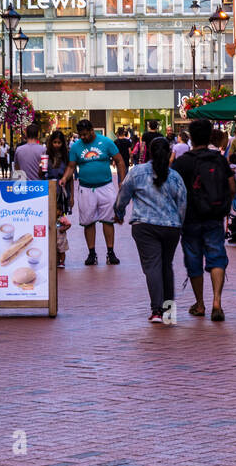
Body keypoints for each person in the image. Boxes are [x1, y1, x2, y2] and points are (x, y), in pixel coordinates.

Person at [115, 136, 187, 324]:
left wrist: (120, 213)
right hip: (171, 227)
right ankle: (169, 312)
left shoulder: (137, 172)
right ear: (169, 153)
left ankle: (156, 311)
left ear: (148, 152)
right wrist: (180, 224)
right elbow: (182, 203)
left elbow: (123, 195)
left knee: (152, 267)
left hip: (145, 226)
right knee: (166, 267)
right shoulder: (175, 176)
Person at [173, 118, 235, 321]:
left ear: (190, 138)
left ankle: (200, 304)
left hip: (190, 219)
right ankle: (217, 302)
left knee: (194, 260)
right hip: (214, 216)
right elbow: (231, 186)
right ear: (209, 136)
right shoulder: (218, 159)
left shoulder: (182, 163)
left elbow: (175, 192)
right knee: (216, 256)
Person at [61, 119, 127, 265]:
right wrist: (65, 178)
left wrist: (121, 181)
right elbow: (71, 166)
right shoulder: (76, 147)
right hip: (85, 188)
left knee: (108, 220)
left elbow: (120, 161)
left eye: (85, 134)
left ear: (92, 130)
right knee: (88, 221)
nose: (82, 137)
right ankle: (92, 254)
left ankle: (110, 252)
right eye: (80, 135)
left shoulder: (106, 142)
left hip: (106, 186)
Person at [44, 130, 73, 265]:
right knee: (49, 220)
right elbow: (41, 174)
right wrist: (41, 166)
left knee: (59, 219)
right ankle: (52, 251)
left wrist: (71, 196)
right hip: (49, 191)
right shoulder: (46, 155)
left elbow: (71, 177)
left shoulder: (66, 157)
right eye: (54, 142)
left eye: (59, 142)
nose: (56, 145)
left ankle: (61, 251)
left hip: (61, 192)